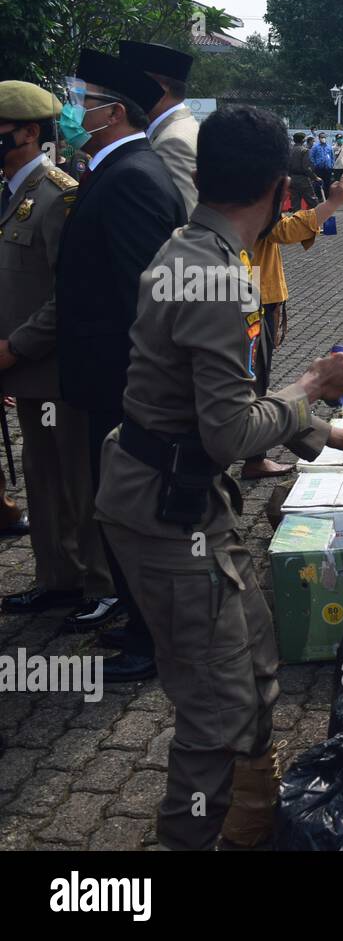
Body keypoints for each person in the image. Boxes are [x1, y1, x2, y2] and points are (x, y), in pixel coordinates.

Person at [97, 105, 343, 851]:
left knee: (257, 647)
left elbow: (224, 408)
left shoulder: (191, 248)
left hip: (186, 496)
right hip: (166, 509)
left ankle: (251, 817)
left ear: (201, 177)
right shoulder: (215, 278)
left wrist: (329, 432)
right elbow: (229, 430)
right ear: (279, 188)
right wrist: (311, 385)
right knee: (215, 708)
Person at [53, 48, 187, 678]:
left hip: (121, 382)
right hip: (103, 376)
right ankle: (138, 622)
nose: (74, 111)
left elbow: (149, 294)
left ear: (112, 112)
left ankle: (149, 639)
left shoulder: (133, 175)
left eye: (83, 100)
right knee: (117, 509)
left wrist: (145, 390)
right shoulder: (118, 169)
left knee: (129, 512)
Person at [0, 81, 114, 627]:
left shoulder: (58, 196)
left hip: (55, 367)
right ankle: (56, 578)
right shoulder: (9, 194)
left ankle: (100, 583)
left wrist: (15, 346)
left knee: (75, 477)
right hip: (23, 370)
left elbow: (66, 294)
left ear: (27, 132)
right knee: (40, 475)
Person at [242, 174, 343, 480]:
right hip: (252, 296)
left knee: (256, 379)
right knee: (255, 381)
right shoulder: (249, 203)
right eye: (281, 176)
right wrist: (331, 204)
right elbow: (285, 230)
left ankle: (259, 453)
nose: (289, 182)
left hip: (254, 293)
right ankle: (256, 456)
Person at [118, 41, 198, 216]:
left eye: (133, 82)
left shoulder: (173, 141)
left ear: (160, 88)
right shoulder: (174, 128)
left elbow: (185, 216)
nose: (125, 92)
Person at [287, 131, 317, 209]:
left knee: (295, 204)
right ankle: (311, 220)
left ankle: (297, 220)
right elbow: (306, 168)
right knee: (313, 202)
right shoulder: (304, 150)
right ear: (303, 140)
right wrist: (315, 178)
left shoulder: (290, 150)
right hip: (303, 180)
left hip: (292, 179)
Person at [309, 131, 333, 202]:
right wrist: (315, 164)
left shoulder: (329, 147)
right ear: (319, 138)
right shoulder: (315, 147)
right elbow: (311, 157)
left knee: (327, 183)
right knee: (318, 183)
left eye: (324, 137)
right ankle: (319, 197)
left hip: (327, 168)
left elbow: (332, 157)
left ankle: (327, 197)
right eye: (322, 137)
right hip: (319, 168)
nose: (323, 138)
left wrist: (331, 165)